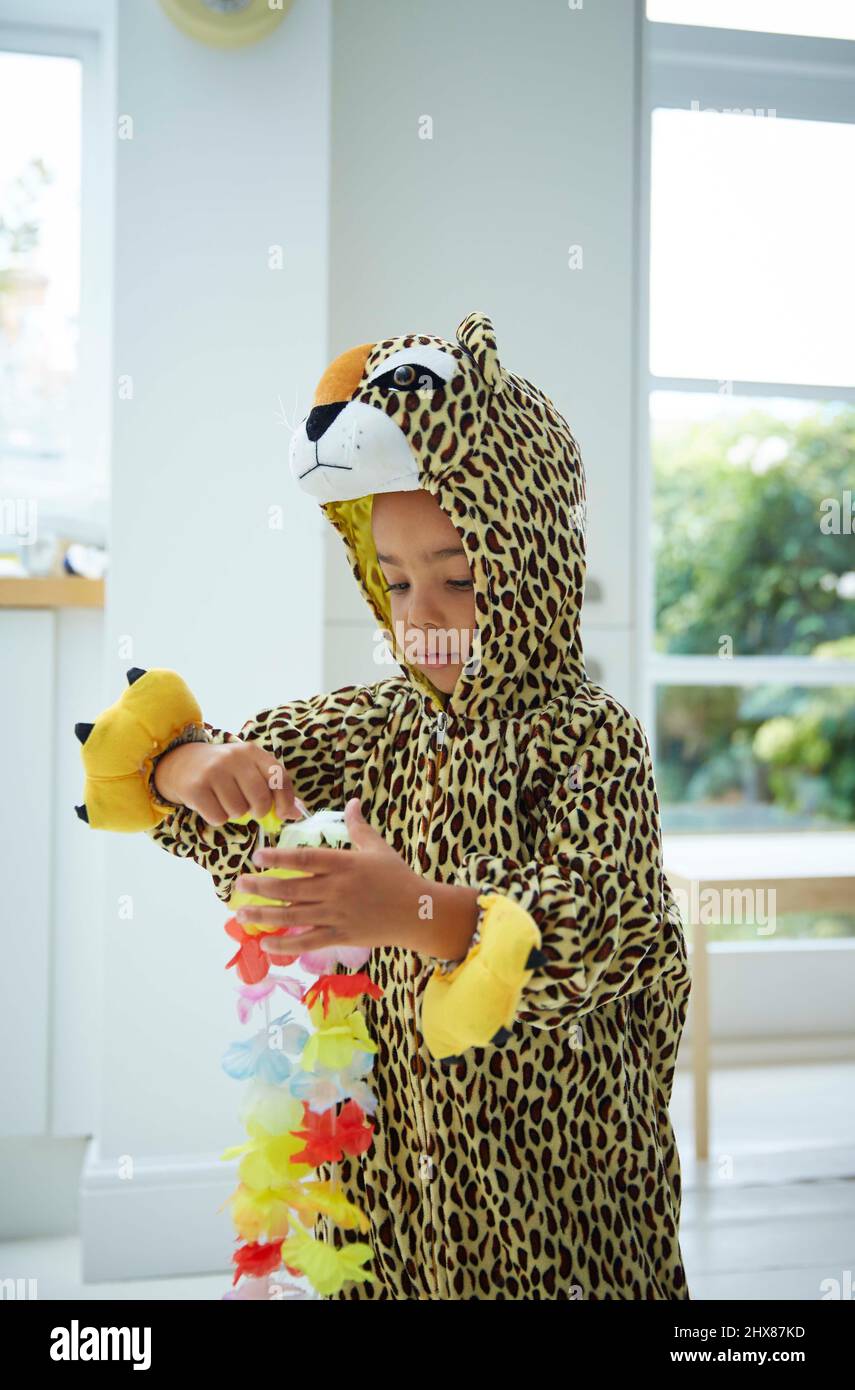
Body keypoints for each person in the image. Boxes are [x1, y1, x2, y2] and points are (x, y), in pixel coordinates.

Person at [78, 311, 692, 1300]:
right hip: (386, 1166)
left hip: (559, 1181)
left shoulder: (591, 737)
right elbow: (242, 805)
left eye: (457, 577)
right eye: (396, 580)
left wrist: (412, 909)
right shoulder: (370, 724)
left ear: (531, 565)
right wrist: (187, 763)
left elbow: (603, 928)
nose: (422, 613)